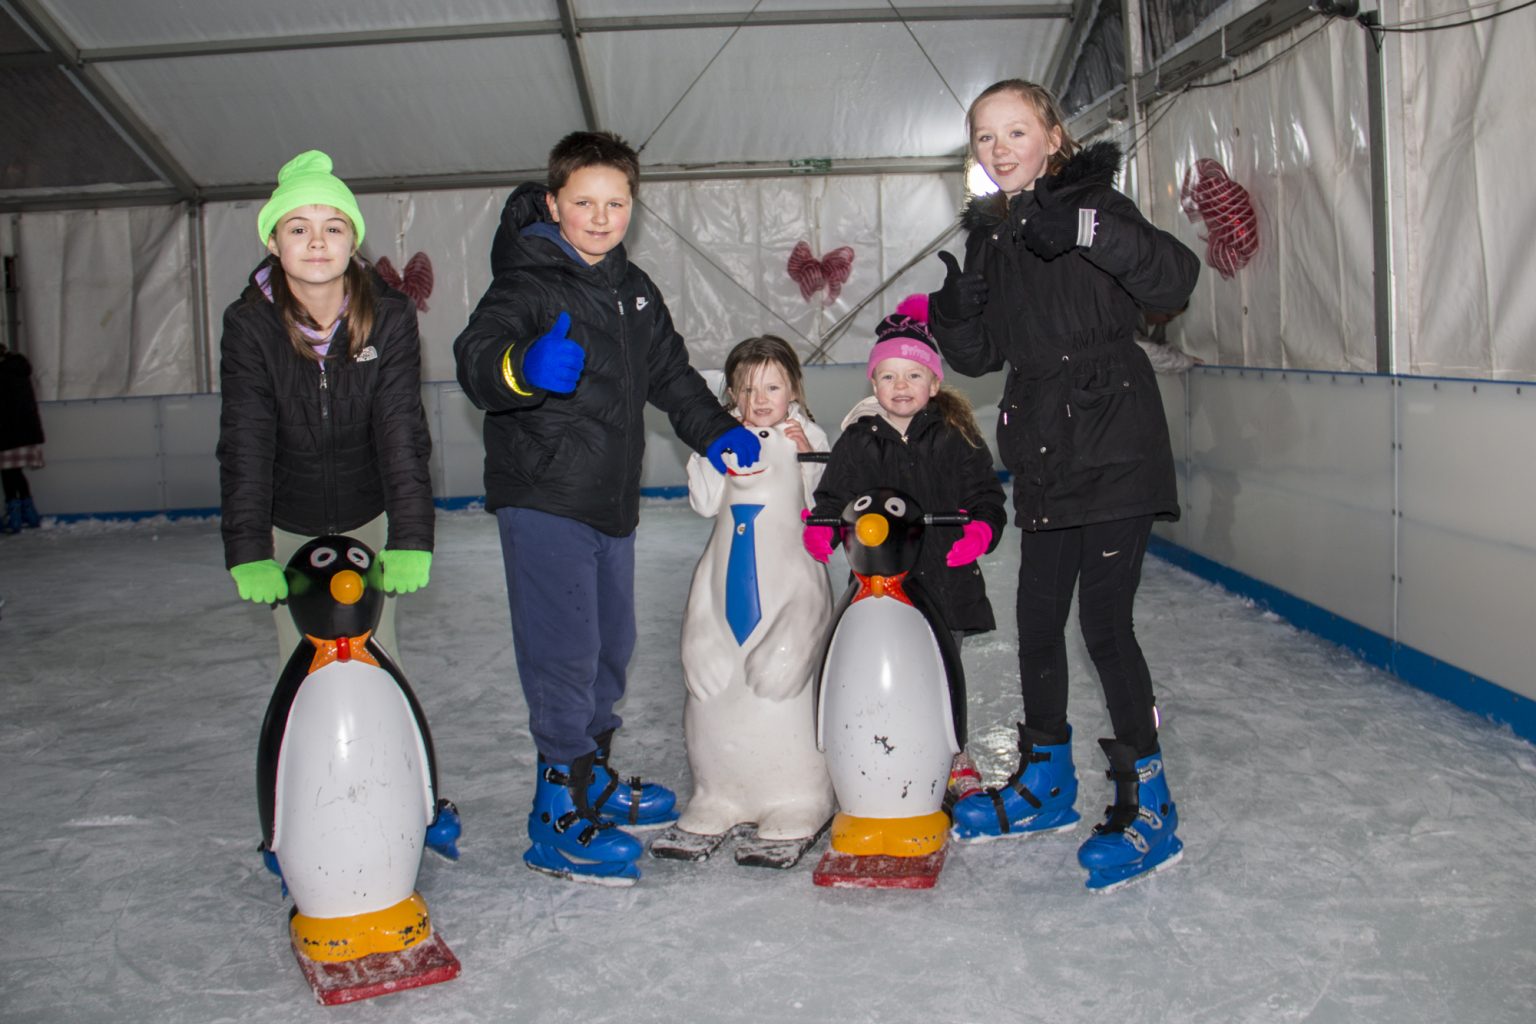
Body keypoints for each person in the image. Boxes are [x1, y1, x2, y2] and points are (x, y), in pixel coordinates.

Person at [452, 130, 762, 886]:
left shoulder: (634, 290)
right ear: (555, 204)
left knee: (607, 649)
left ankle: (591, 776)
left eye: (615, 203)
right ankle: (554, 815)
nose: (599, 217)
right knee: (562, 655)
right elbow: (474, 356)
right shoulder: (525, 282)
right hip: (545, 495)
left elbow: (673, 377)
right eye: (583, 203)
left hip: (609, 501)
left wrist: (717, 429)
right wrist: (520, 368)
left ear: (633, 206)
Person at [928, 79, 1199, 891]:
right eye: (985, 137)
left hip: (1114, 439)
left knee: (1106, 624)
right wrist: (955, 312)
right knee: (1037, 619)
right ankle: (1046, 782)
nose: (1000, 148)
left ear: (1053, 134)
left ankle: (1147, 802)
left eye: (1016, 130)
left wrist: (1085, 229)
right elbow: (981, 357)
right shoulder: (996, 236)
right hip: (1045, 445)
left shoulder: (1095, 206)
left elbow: (1173, 281)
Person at [216, 150, 435, 667]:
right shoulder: (249, 325)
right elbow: (246, 440)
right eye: (297, 228)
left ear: (352, 241)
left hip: (370, 514)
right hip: (287, 518)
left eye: (334, 227)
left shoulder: (391, 317)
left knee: (378, 653)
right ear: (273, 242)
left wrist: (410, 538)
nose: (317, 241)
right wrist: (249, 551)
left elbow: (401, 429)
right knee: (302, 658)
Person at [804, 297, 1007, 801]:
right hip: (876, 582)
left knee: (941, 670)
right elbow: (832, 496)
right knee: (878, 667)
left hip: (944, 577)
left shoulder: (956, 435)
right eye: (889, 376)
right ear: (873, 385)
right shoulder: (857, 440)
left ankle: (955, 753)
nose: (901, 387)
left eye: (913, 376)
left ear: (934, 384)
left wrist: (979, 532)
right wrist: (823, 526)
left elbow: (985, 496)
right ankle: (879, 749)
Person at [686, 334, 827, 515]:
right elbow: (706, 507)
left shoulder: (810, 436)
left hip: (791, 539)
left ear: (793, 390)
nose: (760, 400)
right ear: (734, 395)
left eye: (772, 388)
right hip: (738, 540)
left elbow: (819, 507)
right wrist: (712, 449)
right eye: (748, 390)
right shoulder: (724, 436)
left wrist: (809, 459)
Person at [0, 342, 45, 534]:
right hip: (25, 432)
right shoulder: (19, 368)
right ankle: (30, 513)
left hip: (5, 432)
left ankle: (15, 517)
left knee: (8, 473)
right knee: (16, 472)